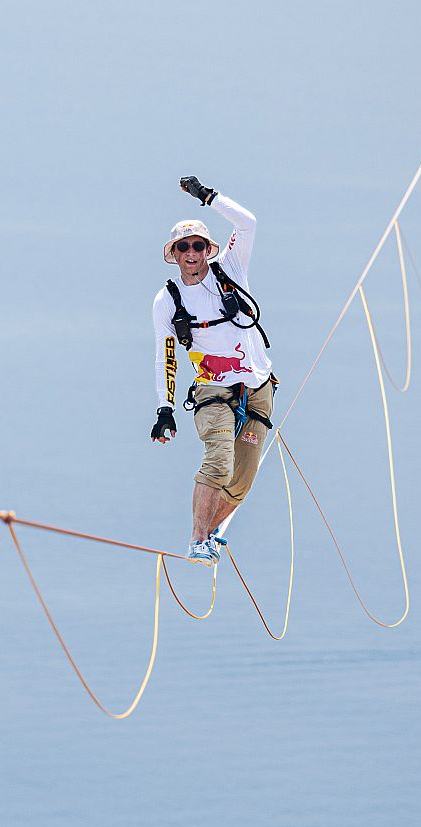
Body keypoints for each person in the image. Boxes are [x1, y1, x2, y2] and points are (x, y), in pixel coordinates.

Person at [149, 176, 277, 565]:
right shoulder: (167, 300)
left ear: (208, 249)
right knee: (218, 461)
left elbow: (248, 223)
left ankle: (209, 533)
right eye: (184, 247)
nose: (192, 253)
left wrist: (208, 197)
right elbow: (165, 356)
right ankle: (197, 540)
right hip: (213, 390)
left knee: (241, 481)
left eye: (198, 245)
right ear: (174, 254)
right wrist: (164, 408)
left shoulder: (231, 269)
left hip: (257, 386)